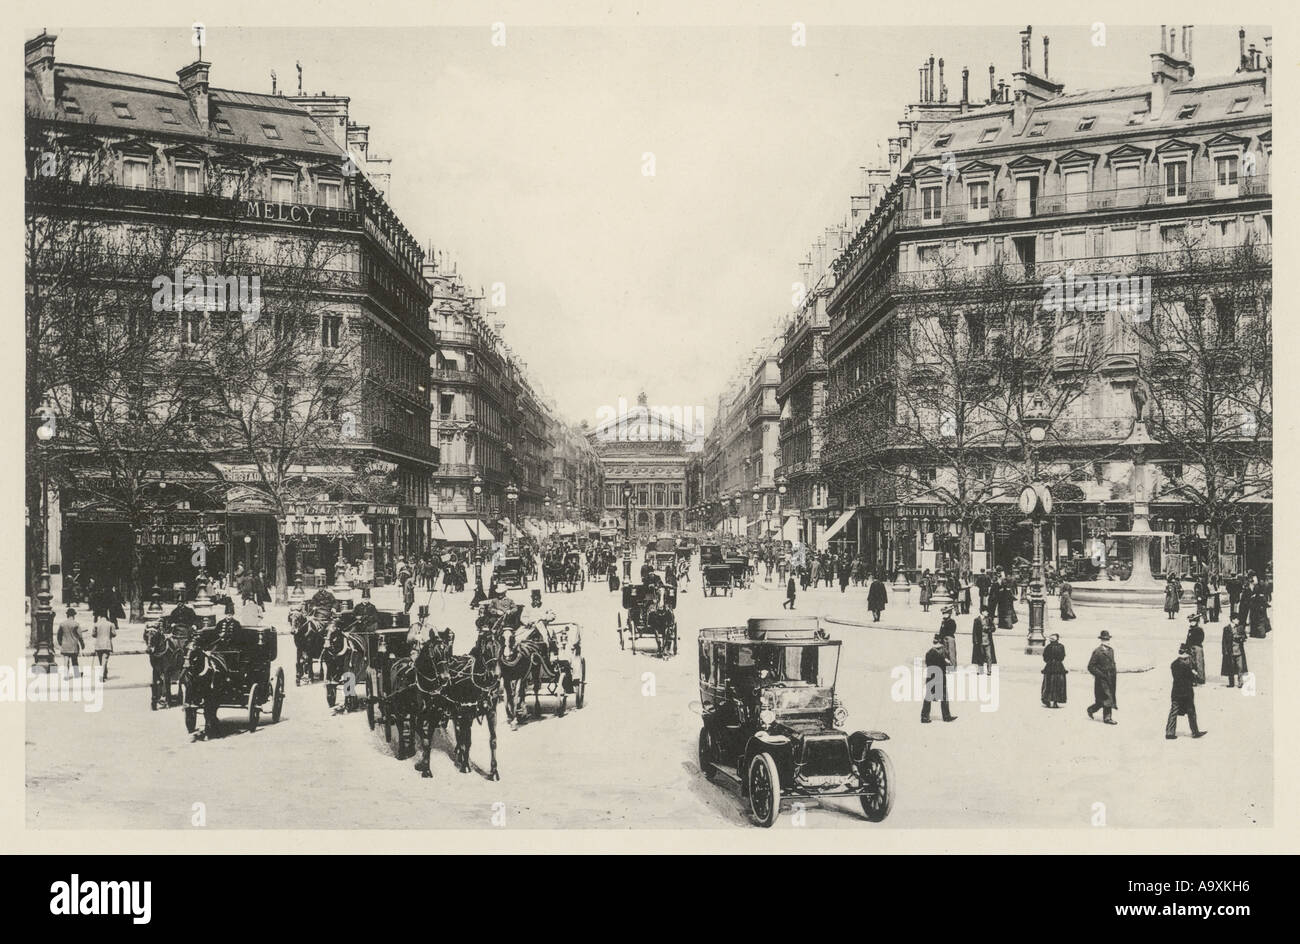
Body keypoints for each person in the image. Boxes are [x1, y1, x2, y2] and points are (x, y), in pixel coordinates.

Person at [1166, 645, 1207, 739]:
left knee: (1174, 711)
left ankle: (1169, 732)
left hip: (1176, 691)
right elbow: (1192, 678)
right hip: (1187, 692)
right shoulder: (1187, 665)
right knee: (1191, 711)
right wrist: (1196, 676)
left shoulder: (1174, 664)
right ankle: (1195, 732)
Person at [921, 634, 956, 723]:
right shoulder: (941, 654)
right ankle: (946, 716)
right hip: (940, 677)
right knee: (944, 696)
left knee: (928, 696)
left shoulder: (928, 653)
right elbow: (947, 666)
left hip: (930, 677)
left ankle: (924, 717)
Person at [1086, 630, 1118, 724]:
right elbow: (1090, 666)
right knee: (1107, 697)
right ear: (1101, 640)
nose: (1107, 641)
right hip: (1102, 679)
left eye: (1108, 639)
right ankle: (1107, 718)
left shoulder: (1111, 650)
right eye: (1105, 639)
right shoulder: (1097, 652)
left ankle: (1091, 709)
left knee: (1103, 699)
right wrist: (1100, 675)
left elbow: (1112, 663)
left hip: (1111, 677)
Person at [57, 607, 85, 679]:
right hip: (73, 645)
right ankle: (76, 674)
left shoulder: (62, 624)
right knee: (74, 660)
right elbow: (80, 635)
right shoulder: (76, 624)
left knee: (66, 660)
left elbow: (59, 635)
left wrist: (60, 642)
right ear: (73, 615)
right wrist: (82, 644)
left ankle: (66, 675)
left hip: (65, 645)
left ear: (67, 615)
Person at [1041, 633, 1067, 708]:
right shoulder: (1061, 647)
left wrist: (1049, 661)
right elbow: (1062, 657)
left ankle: (1047, 700)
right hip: (1059, 667)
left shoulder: (1048, 647)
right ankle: (1056, 701)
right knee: (1058, 684)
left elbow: (1045, 657)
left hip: (1049, 667)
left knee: (1048, 684)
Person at [91, 611, 116, 682]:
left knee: (101, 661)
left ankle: (105, 673)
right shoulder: (110, 624)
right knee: (104, 660)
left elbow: (93, 634)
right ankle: (102, 675)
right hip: (107, 644)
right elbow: (114, 634)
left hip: (98, 644)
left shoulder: (96, 624)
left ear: (100, 617)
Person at [1222, 622, 1247, 687]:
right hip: (1230, 651)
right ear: (1233, 620)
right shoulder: (1226, 628)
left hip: (1239, 651)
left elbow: (1245, 637)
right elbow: (1224, 640)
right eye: (1236, 619)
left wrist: (1241, 638)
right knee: (1230, 668)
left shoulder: (1240, 627)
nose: (1238, 621)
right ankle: (1231, 683)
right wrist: (1224, 651)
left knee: (1240, 667)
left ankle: (1240, 683)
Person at [1185, 614, 1206, 685]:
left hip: (1197, 647)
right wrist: (1186, 646)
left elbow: (1201, 638)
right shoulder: (1190, 629)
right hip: (1191, 648)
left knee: (1199, 663)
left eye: (1193, 621)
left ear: (1197, 622)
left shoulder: (1199, 629)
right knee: (1192, 663)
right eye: (1190, 621)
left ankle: (1200, 678)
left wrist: (1193, 642)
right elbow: (1188, 639)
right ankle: (1193, 678)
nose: (1192, 622)